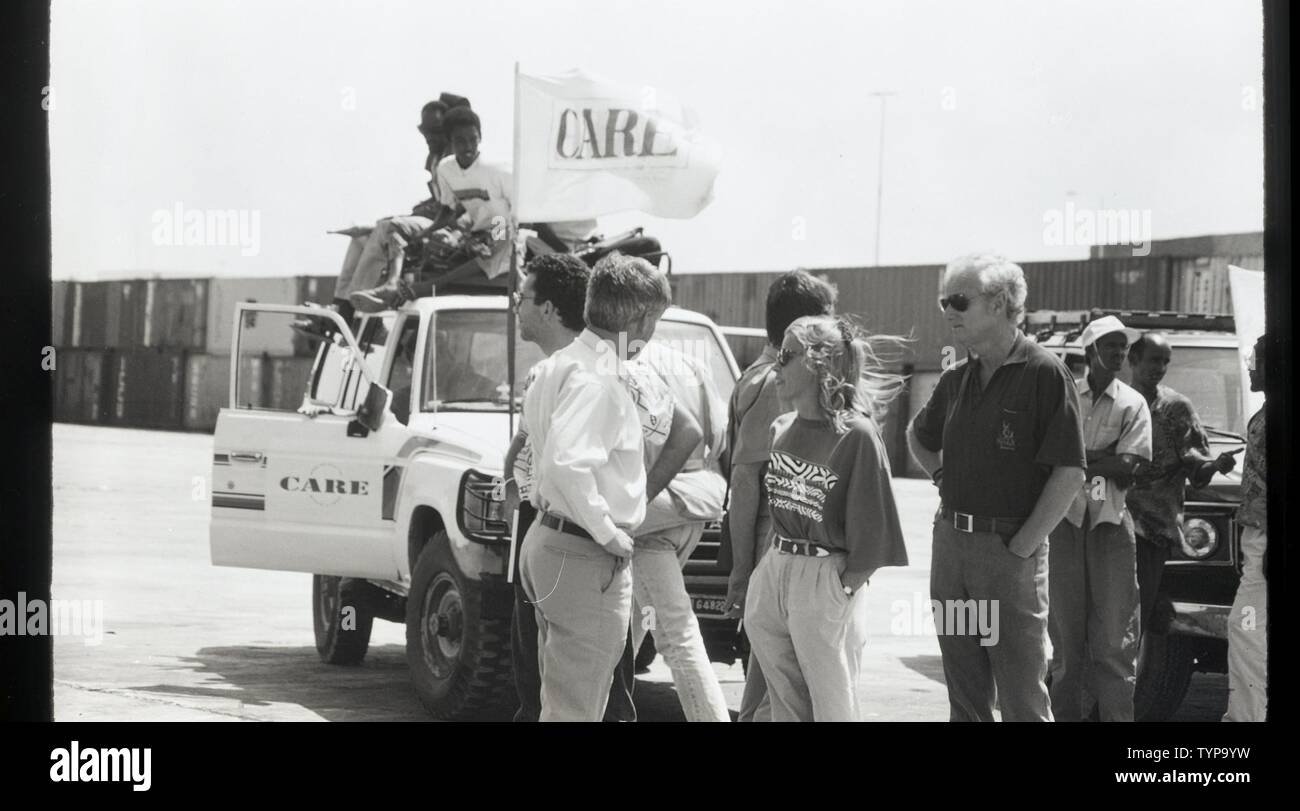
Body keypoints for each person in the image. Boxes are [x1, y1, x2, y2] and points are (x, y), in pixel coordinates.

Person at [908, 253, 1086, 722]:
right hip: (952, 550)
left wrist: (1024, 545)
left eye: (961, 301)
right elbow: (917, 437)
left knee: (1021, 695)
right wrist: (943, 478)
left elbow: (1069, 473)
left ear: (1003, 304)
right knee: (964, 692)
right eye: (945, 300)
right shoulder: (955, 378)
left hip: (1008, 554)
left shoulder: (1045, 373)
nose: (949, 311)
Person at [517, 253, 671, 721]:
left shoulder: (559, 365)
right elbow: (567, 463)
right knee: (579, 707)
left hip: (551, 540)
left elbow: (539, 449)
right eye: (656, 320)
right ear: (641, 317)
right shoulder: (599, 380)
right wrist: (610, 534)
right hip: (583, 551)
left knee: (560, 699)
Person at [742, 315, 909, 721]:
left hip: (823, 576)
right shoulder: (780, 428)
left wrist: (839, 591)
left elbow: (874, 540)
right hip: (776, 568)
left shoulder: (857, 436)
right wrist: (766, 573)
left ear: (820, 364)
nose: (776, 366)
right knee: (785, 706)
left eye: (786, 355)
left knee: (832, 706)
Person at [722, 270, 837, 722]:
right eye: (825, 319)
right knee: (785, 688)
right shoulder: (777, 383)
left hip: (779, 557)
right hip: (778, 554)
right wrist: (742, 571)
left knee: (768, 684)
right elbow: (747, 479)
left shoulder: (762, 374)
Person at [1047, 315, 1151, 722]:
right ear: (1090, 352)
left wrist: (1080, 461)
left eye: (1123, 346)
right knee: (1066, 645)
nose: (1120, 353)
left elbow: (1130, 466)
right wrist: (1104, 458)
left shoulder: (1133, 402)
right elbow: (1049, 459)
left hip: (1110, 525)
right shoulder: (1067, 396)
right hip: (1066, 523)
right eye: (1111, 346)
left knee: (1114, 644)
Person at [623, 336, 731, 722]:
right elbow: (719, 433)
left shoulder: (625, 363)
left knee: (675, 634)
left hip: (653, 511)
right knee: (628, 628)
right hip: (698, 502)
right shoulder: (690, 362)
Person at [502, 253, 590, 722]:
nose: (517, 306)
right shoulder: (548, 372)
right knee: (531, 672)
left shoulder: (583, 374)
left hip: (571, 536)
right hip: (538, 528)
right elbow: (521, 450)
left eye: (524, 297)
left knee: (567, 678)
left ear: (551, 309)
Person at [299, 94, 471, 335]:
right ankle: (341, 306)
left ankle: (349, 315)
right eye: (425, 132)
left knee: (385, 227)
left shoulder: (454, 160)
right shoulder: (434, 158)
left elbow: (455, 208)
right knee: (362, 237)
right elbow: (435, 201)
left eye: (434, 132)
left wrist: (407, 222)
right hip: (434, 220)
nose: (429, 138)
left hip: (450, 227)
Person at [1125, 333, 1238, 639]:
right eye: (1153, 360)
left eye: (1165, 362)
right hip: (1106, 525)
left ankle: (1124, 685)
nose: (1159, 368)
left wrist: (1215, 465)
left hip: (1152, 532)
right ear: (1133, 360)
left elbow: (1197, 473)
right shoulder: (1116, 401)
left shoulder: (1177, 409)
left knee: (1133, 618)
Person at [351, 106, 516, 311]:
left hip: (501, 225)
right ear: (450, 142)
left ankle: (424, 288)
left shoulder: (498, 168)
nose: (468, 147)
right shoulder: (446, 169)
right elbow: (447, 211)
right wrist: (425, 234)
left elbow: (518, 212)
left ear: (480, 137)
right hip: (477, 231)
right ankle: (390, 291)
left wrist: (495, 237)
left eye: (473, 139)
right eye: (460, 141)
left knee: (490, 252)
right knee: (420, 244)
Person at [1224, 333, 1267, 722]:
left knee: (1246, 629)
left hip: (1265, 543)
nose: (1252, 367)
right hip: (1258, 540)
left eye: (1260, 360)